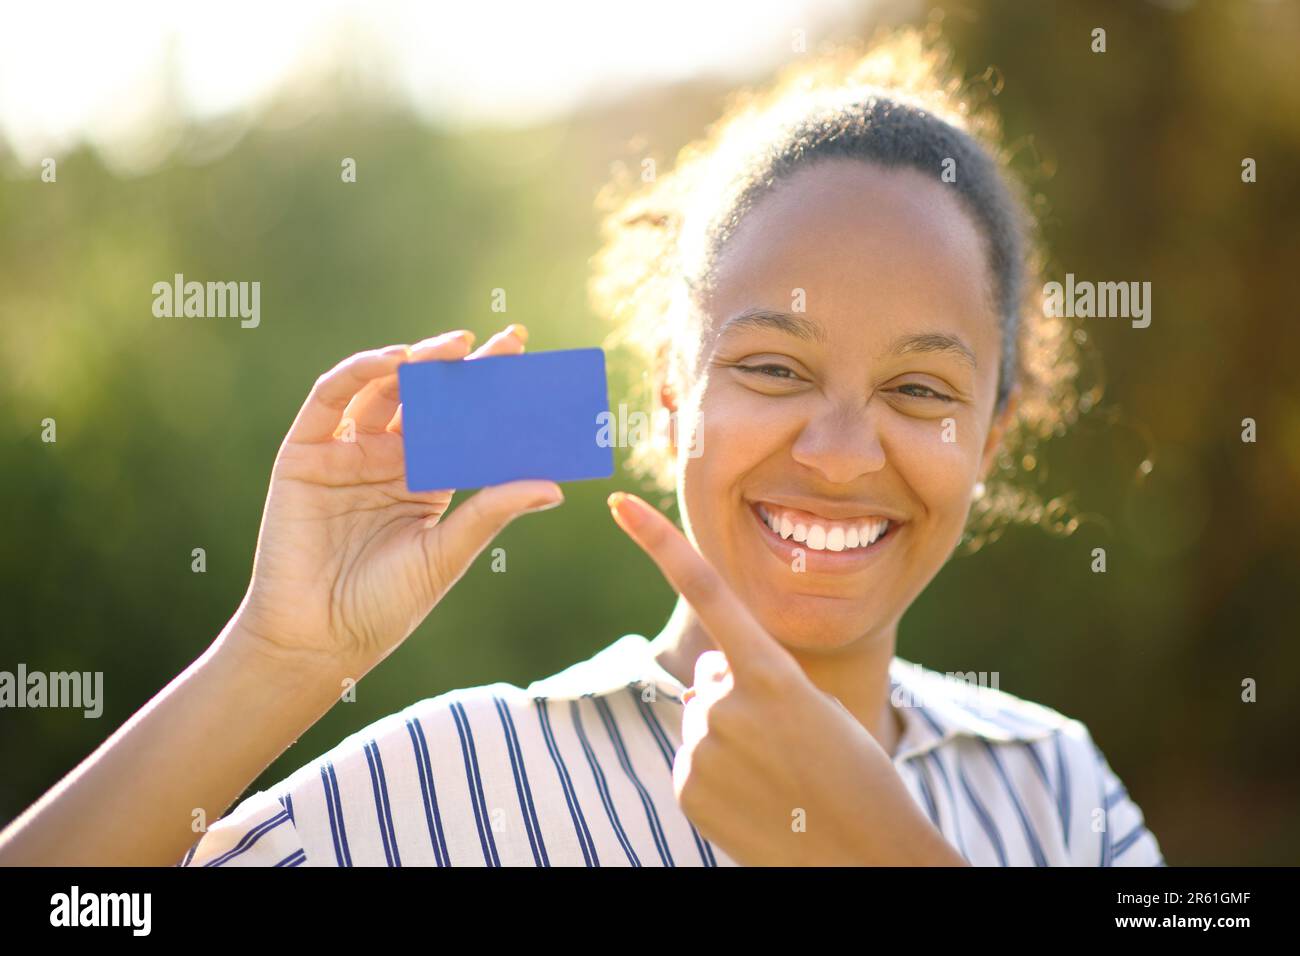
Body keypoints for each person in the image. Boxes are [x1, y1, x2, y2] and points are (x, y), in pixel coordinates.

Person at [0, 30, 1163, 867]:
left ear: (992, 438)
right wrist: (278, 653)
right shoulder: (450, 789)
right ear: (667, 398)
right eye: (771, 366)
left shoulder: (1061, 792)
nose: (844, 451)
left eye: (918, 387)